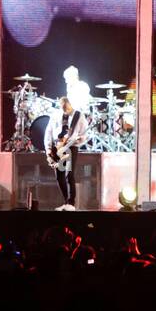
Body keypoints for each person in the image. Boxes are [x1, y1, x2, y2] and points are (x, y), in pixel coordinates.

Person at [47, 66, 91, 210]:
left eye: (68, 80)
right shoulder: (56, 114)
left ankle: (71, 203)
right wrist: (48, 148)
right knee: (59, 175)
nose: (66, 84)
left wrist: (79, 140)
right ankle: (66, 201)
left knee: (68, 174)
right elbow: (48, 131)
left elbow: (84, 133)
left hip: (71, 147)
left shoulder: (78, 113)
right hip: (58, 146)